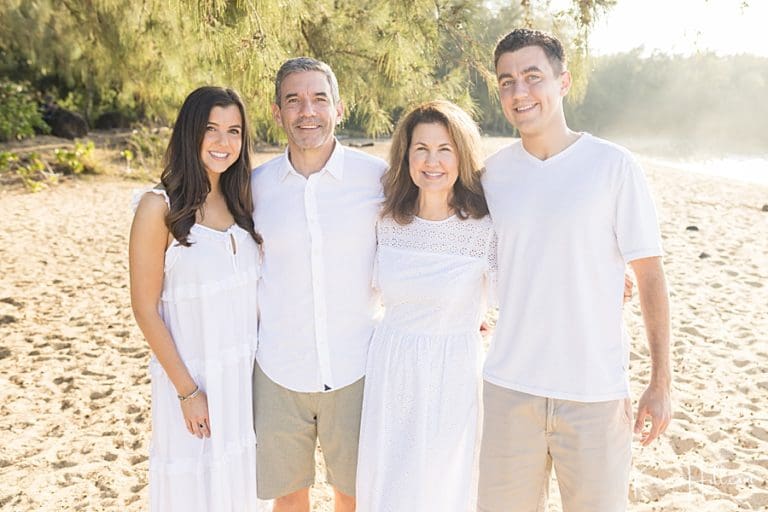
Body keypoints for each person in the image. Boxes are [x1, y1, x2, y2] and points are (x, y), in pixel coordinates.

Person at [478, 28, 672, 512]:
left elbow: (649, 275)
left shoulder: (612, 166)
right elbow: (473, 260)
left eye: (532, 76)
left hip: (594, 393)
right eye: (506, 82)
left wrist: (660, 382)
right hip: (508, 390)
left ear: (563, 82)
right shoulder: (492, 176)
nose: (519, 92)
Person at [250, 57, 387, 512]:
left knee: (355, 494)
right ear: (277, 112)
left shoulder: (379, 180)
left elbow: (428, 233)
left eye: (319, 99)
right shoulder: (254, 187)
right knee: (288, 496)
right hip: (277, 369)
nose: (307, 110)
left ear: (339, 108)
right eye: (294, 100)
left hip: (357, 365)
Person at [129, 86, 270, 511]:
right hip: (191, 383)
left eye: (234, 131)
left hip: (243, 382)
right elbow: (144, 308)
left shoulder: (243, 199)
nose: (223, 142)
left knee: (240, 488)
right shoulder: (159, 207)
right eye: (211, 129)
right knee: (195, 488)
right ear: (190, 132)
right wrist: (189, 392)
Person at [355, 100, 495, 511]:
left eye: (444, 149)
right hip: (391, 366)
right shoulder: (386, 222)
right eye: (421, 149)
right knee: (391, 485)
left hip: (453, 369)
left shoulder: (482, 229)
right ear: (406, 155)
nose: (432, 161)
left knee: (444, 486)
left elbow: (525, 286)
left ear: (461, 156)